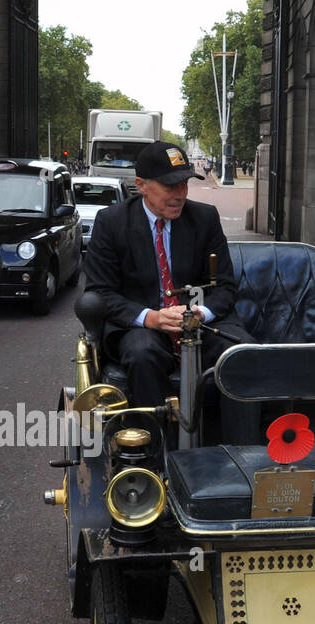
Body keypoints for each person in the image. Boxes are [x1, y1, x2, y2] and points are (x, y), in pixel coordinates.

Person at [84, 141, 259, 444]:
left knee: (242, 353)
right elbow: (100, 291)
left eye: (184, 184)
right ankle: (156, 451)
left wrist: (198, 314)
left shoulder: (205, 218)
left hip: (201, 323)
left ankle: (240, 452)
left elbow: (225, 286)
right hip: (142, 326)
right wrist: (150, 318)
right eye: (170, 186)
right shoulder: (111, 223)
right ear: (142, 185)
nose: (180, 194)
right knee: (142, 354)